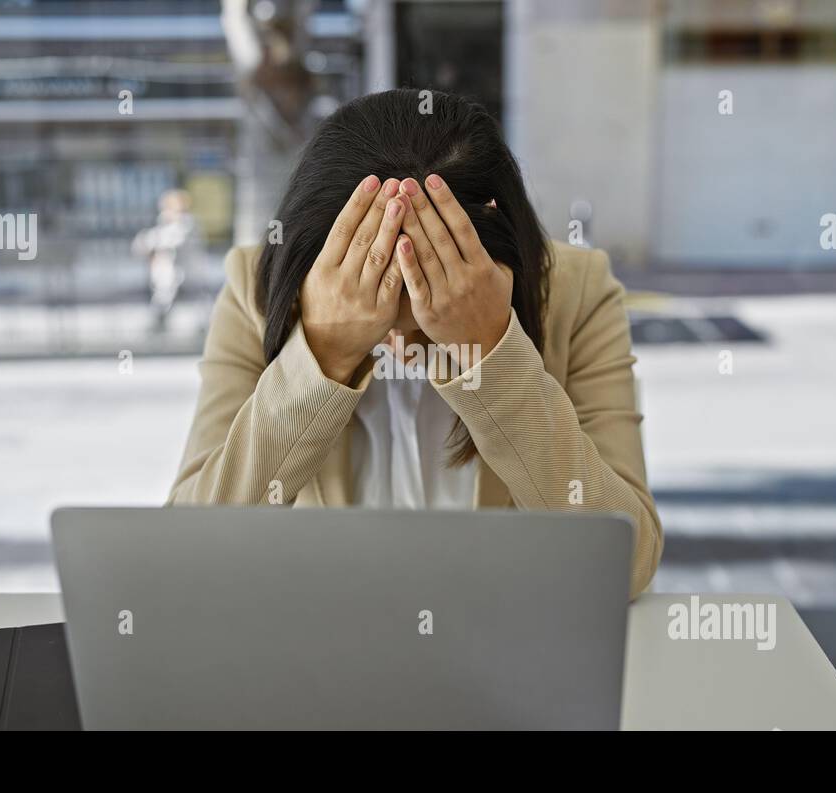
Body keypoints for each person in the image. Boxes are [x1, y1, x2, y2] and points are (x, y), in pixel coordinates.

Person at [168, 89, 663, 598]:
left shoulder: (576, 293)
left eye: (434, 311)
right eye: (370, 306)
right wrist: (322, 357)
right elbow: (184, 557)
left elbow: (626, 566)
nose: (398, 345)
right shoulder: (259, 290)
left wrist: (491, 355)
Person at [132, 189, 198, 334]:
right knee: (164, 296)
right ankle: (160, 322)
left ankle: (200, 326)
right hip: (163, 274)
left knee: (173, 296)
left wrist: (153, 243)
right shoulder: (164, 225)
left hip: (182, 275)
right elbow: (143, 242)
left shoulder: (186, 225)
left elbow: (173, 240)